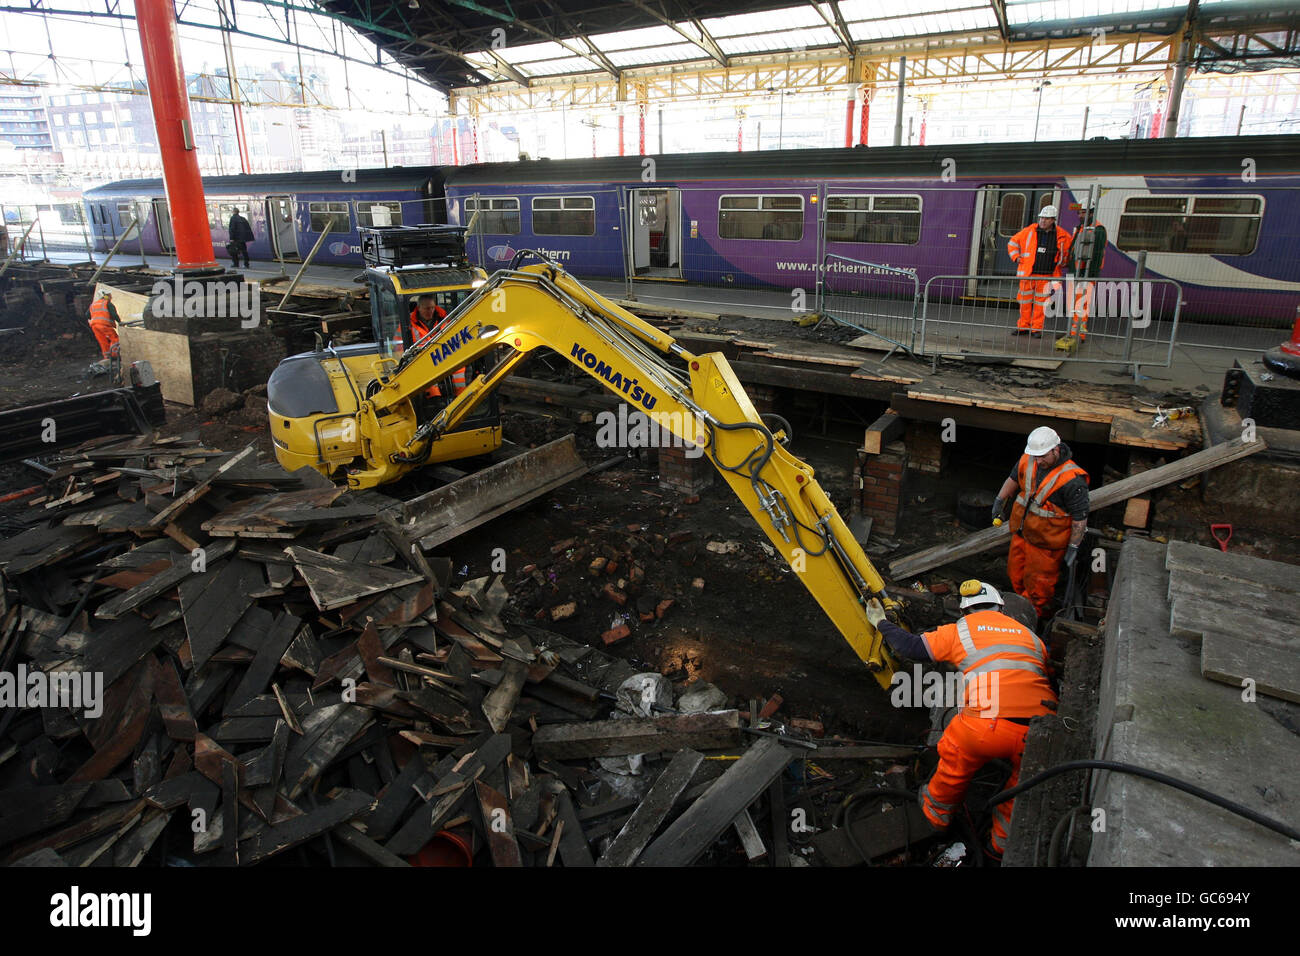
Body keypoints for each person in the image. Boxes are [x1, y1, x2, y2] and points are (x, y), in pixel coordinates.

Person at [865, 580, 1058, 860]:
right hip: (1039, 731)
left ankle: (935, 819)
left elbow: (911, 647)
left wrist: (882, 623)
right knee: (1020, 789)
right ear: (1001, 609)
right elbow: (1046, 674)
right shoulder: (1032, 639)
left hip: (985, 726)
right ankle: (1001, 847)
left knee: (954, 764)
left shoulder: (962, 630)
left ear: (965, 611)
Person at [991, 426, 1089, 620]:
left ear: (1056, 449)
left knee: (1038, 588)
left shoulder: (1072, 480)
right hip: (1022, 534)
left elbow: (1080, 517)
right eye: (1036, 456)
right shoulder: (1028, 460)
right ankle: (1017, 609)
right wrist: (999, 501)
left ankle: (1033, 619)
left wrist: (1073, 547)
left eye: (1043, 456)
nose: (1039, 461)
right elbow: (1012, 479)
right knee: (1015, 574)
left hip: (1047, 546)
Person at [1006, 204, 1071, 337]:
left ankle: (1036, 329)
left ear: (1053, 220)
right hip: (1028, 275)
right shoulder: (1029, 230)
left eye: (1046, 219)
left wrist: (1062, 263)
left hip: (1046, 276)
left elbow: (1067, 253)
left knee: (1040, 305)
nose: (1043, 221)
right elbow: (1013, 242)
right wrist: (1016, 257)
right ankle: (1023, 326)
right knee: (1024, 302)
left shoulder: (1062, 235)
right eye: (1041, 218)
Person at [87, 290, 120, 359]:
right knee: (115, 338)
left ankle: (107, 356)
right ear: (105, 296)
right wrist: (120, 322)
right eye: (109, 295)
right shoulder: (107, 303)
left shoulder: (93, 304)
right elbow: (114, 314)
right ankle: (115, 355)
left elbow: (87, 315)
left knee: (102, 341)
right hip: (103, 325)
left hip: (94, 326)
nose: (111, 297)